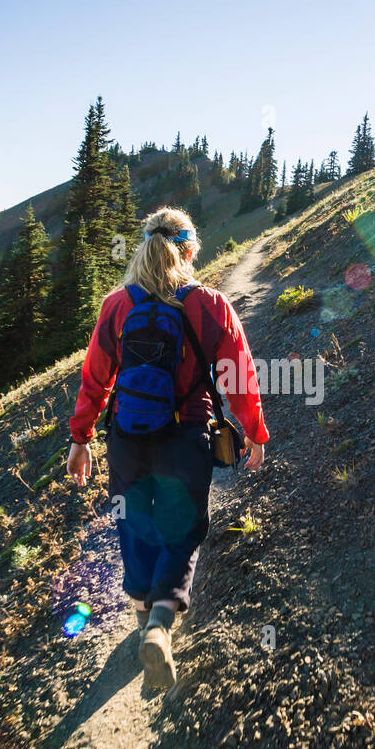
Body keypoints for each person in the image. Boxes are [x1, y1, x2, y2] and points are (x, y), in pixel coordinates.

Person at [66, 207, 269, 688]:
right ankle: (159, 622)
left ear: (144, 246)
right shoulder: (210, 304)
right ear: (191, 249)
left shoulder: (117, 305)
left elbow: (94, 378)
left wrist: (81, 438)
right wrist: (255, 432)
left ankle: (141, 615)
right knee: (183, 525)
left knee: (134, 519)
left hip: (126, 437)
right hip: (186, 435)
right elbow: (237, 376)